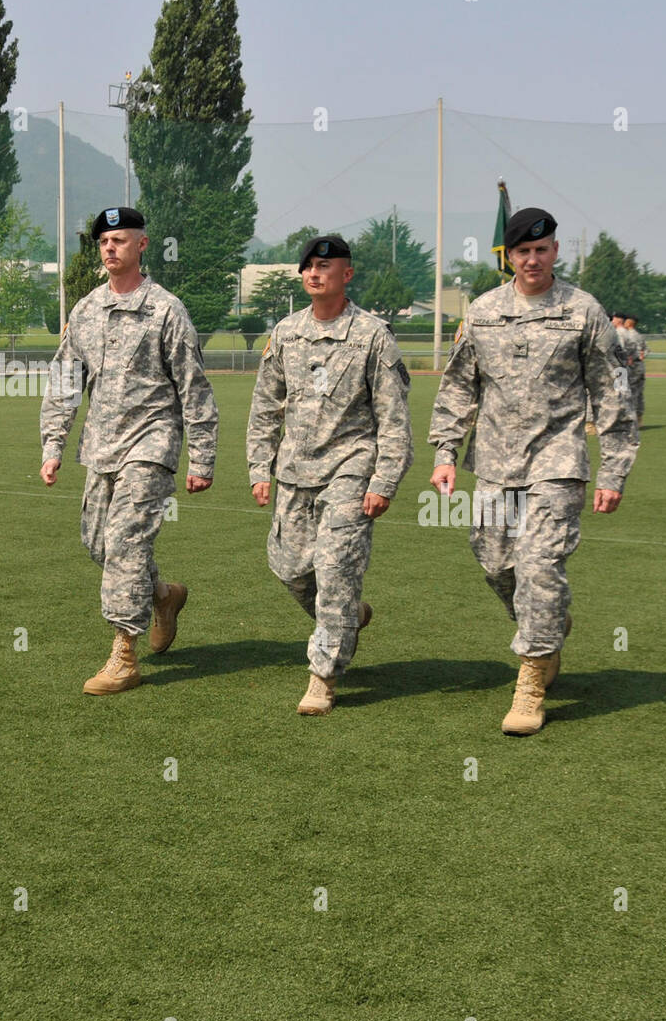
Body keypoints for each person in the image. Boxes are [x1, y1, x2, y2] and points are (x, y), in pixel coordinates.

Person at [428, 207, 637, 736]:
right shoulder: (482, 312)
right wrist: (446, 453)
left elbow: (611, 394)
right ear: (509, 257)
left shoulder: (583, 311)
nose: (533, 259)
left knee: (540, 566)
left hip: (556, 461)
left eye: (542, 250)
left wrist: (613, 470)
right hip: (495, 464)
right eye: (523, 251)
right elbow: (458, 389)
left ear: (555, 253)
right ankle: (547, 623)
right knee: (497, 563)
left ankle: (531, 683)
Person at [39, 206, 217, 694]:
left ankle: (124, 654)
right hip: (100, 446)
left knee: (125, 543)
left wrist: (201, 458)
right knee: (98, 542)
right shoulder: (86, 310)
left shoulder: (165, 310)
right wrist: (53, 444)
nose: (110, 248)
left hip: (151, 443)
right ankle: (162, 594)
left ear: (142, 245)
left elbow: (194, 389)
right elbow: (64, 383)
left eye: (119, 239)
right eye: (103, 242)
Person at [247, 234, 413, 715]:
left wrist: (383, 481)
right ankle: (345, 617)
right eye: (307, 267)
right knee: (290, 568)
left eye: (325, 265)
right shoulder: (286, 333)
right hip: (295, 470)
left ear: (347, 274)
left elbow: (393, 418)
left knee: (336, 569)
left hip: (351, 467)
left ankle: (323, 675)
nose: (313, 273)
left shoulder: (372, 335)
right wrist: (261, 466)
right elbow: (265, 407)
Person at [624, 312, 647, 425]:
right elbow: (646, 350)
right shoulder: (639, 335)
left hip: (632, 366)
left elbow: (629, 351)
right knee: (639, 393)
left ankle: (631, 419)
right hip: (640, 366)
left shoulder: (628, 335)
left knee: (630, 393)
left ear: (629, 322)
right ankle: (639, 417)